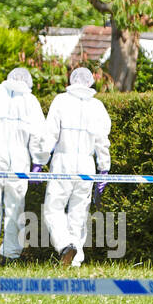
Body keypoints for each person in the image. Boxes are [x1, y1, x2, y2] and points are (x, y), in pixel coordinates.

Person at [36, 67, 111, 267]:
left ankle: (64, 245)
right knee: (79, 211)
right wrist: (104, 168)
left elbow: (49, 134)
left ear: (71, 80)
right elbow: (102, 141)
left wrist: (40, 160)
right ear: (90, 83)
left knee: (54, 208)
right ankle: (76, 259)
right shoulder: (97, 106)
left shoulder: (61, 101)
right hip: (87, 164)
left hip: (63, 162)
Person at [0, 67, 46, 265]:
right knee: (15, 206)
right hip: (19, 156)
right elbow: (39, 134)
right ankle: (11, 253)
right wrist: (38, 160)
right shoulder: (30, 101)